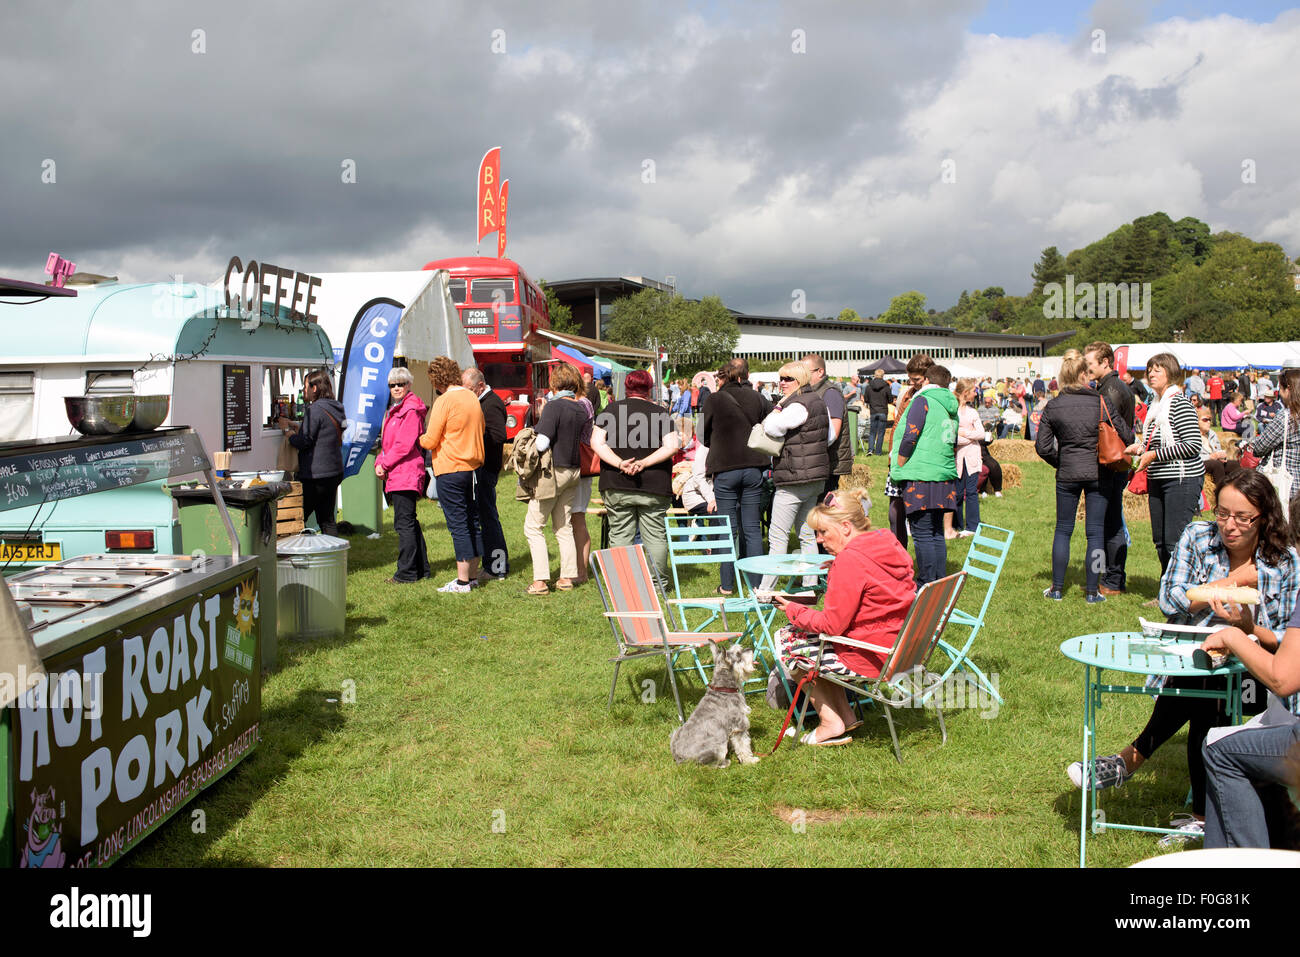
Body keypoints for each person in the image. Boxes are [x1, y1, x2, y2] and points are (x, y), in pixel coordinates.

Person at [1070, 470, 1300, 846]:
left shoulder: (1284, 561)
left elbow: (1284, 644)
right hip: (1190, 658)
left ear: (1265, 516)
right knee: (1207, 676)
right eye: (1223, 513)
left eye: (1243, 518)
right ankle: (1200, 814)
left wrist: (1245, 629)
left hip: (1256, 675)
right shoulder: (1198, 536)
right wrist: (1233, 583)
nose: (1229, 525)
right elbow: (1168, 598)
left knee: (1212, 679)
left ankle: (1132, 758)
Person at [772, 488, 916, 745]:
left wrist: (793, 609)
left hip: (869, 656)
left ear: (846, 527)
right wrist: (840, 565)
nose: (818, 539)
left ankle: (830, 722)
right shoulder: (886, 541)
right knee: (808, 637)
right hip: (899, 646)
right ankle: (847, 716)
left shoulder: (850, 561)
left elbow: (832, 624)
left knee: (788, 638)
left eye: (824, 532)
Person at [1035, 355, 1133, 602]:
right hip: (1099, 473)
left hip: (1067, 474)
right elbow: (1125, 434)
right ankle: (1093, 591)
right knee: (1095, 533)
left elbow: (1043, 447)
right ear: (1083, 376)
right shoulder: (1101, 402)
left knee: (1063, 530)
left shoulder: (1053, 406)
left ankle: (1057, 588)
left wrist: (1062, 460)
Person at [591, 369, 680, 591]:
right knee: (655, 535)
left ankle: (621, 584)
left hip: (616, 483)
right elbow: (672, 446)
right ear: (649, 388)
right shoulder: (660, 413)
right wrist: (645, 463)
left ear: (626, 388)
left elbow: (597, 443)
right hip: (654, 485)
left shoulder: (610, 410)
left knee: (620, 534)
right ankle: (658, 584)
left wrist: (619, 463)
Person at [1126, 353, 1205, 576]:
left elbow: (1193, 445)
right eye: (1149, 369)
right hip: (1158, 478)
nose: (1151, 374)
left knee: (1174, 541)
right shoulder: (1156, 405)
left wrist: (1154, 455)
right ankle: (1166, 589)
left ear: (1170, 374)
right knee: (1159, 540)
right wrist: (1140, 448)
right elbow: (1156, 442)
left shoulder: (1179, 403)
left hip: (1181, 479)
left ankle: (1180, 590)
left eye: (1157, 370)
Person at [757, 361, 830, 592]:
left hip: (793, 479)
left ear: (799, 381)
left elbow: (771, 427)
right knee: (807, 535)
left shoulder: (797, 405)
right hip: (815, 478)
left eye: (788, 379)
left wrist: (777, 408)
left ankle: (766, 590)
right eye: (781, 378)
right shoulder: (818, 401)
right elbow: (830, 437)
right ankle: (809, 587)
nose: (782, 383)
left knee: (777, 537)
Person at [700, 357, 771, 595]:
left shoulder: (714, 399)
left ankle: (727, 585)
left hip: (725, 467)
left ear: (725, 375)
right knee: (752, 528)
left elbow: (702, 435)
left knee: (727, 528)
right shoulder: (759, 398)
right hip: (754, 466)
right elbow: (769, 427)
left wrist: (718, 442)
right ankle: (756, 584)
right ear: (746, 375)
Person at [420, 357, 485, 593]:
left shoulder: (445, 400)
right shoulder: (471, 397)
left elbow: (431, 439)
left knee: (458, 525)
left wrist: (419, 438)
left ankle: (462, 581)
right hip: (472, 468)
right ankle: (474, 576)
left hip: (450, 468)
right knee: (471, 522)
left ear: (437, 381)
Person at [524, 362, 588, 595]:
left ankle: (540, 581)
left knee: (533, 527)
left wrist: (541, 420)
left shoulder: (553, 406)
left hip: (554, 472)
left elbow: (543, 442)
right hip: (574, 471)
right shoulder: (580, 407)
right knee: (563, 526)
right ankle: (566, 578)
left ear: (555, 383)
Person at [894, 364, 959, 586]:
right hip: (943, 474)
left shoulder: (923, 400)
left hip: (920, 474)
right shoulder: (950, 405)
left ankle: (926, 582)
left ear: (928, 381)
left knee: (922, 532)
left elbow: (911, 432)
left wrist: (900, 461)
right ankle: (939, 580)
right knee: (936, 531)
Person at [1084, 341, 1137, 597]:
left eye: (1090, 363)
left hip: (1112, 464)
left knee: (1111, 523)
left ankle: (1113, 580)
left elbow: (1107, 430)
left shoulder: (1111, 390)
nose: (1087, 368)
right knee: (1108, 522)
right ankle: (1110, 577)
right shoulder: (1112, 386)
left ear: (1105, 362)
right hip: (1114, 464)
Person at [374, 367, 430, 583]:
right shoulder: (395, 409)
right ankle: (421, 569)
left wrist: (384, 464)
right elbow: (387, 444)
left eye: (401, 384)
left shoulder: (411, 410)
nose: (396, 388)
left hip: (406, 472)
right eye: (392, 385)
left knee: (403, 524)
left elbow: (403, 445)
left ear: (409, 385)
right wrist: (381, 461)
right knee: (409, 522)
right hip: (398, 472)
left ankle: (406, 573)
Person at [279, 369, 346, 537]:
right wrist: (299, 427)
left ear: (314, 388)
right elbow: (325, 432)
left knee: (297, 516)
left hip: (315, 475)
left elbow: (304, 441)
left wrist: (288, 432)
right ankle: (334, 559)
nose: (304, 390)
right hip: (333, 471)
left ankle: (291, 556)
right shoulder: (337, 407)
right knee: (327, 519)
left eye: (305, 386)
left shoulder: (314, 410)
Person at [463, 367, 509, 580]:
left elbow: (499, 436)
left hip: (486, 468)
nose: (466, 393)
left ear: (480, 385)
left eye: (469, 389)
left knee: (489, 519)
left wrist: (475, 438)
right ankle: (491, 564)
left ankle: (497, 567)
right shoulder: (482, 401)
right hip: (480, 468)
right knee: (484, 517)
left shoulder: (491, 403)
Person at [885, 354, 934, 550]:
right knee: (895, 513)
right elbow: (897, 425)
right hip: (898, 460)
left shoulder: (933, 397)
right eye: (910, 379)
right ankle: (899, 557)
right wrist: (892, 457)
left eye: (917, 380)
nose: (913, 383)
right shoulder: (907, 394)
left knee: (919, 519)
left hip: (918, 463)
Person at [1244, 367, 1300, 489]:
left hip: (1286, 482)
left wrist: (1248, 444)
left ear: (1288, 389)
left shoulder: (1286, 417)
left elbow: (1259, 448)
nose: (1279, 392)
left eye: (1280, 388)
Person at [804, 353, 852, 495]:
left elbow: (833, 432)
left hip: (827, 464)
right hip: (816, 462)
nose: (803, 376)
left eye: (806, 372)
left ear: (820, 371)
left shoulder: (830, 393)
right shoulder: (813, 391)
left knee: (822, 511)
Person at [948, 378, 984, 540]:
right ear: (965, 393)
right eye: (973, 391)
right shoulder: (952, 411)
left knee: (971, 492)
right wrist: (967, 435)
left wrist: (963, 433)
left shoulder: (973, 412)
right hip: (956, 457)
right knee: (956, 493)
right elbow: (950, 436)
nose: (976, 394)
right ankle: (956, 524)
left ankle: (973, 526)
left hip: (972, 457)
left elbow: (981, 434)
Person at [1199, 405, 1240, 494]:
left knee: (1233, 464)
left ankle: (1237, 491)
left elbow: (1218, 450)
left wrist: (1222, 456)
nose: (1208, 422)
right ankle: (1220, 493)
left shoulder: (1212, 434)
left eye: (1210, 420)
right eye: (1205, 420)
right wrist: (1210, 457)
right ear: (1196, 421)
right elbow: (1193, 455)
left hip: (1215, 461)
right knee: (1216, 464)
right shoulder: (1193, 435)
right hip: (1200, 462)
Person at [864, 369, 892, 455]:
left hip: (873, 411)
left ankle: (870, 450)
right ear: (883, 375)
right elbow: (890, 399)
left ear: (874, 375)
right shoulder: (886, 386)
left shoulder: (869, 386)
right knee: (881, 433)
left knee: (872, 432)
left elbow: (866, 399)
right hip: (883, 411)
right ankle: (878, 452)